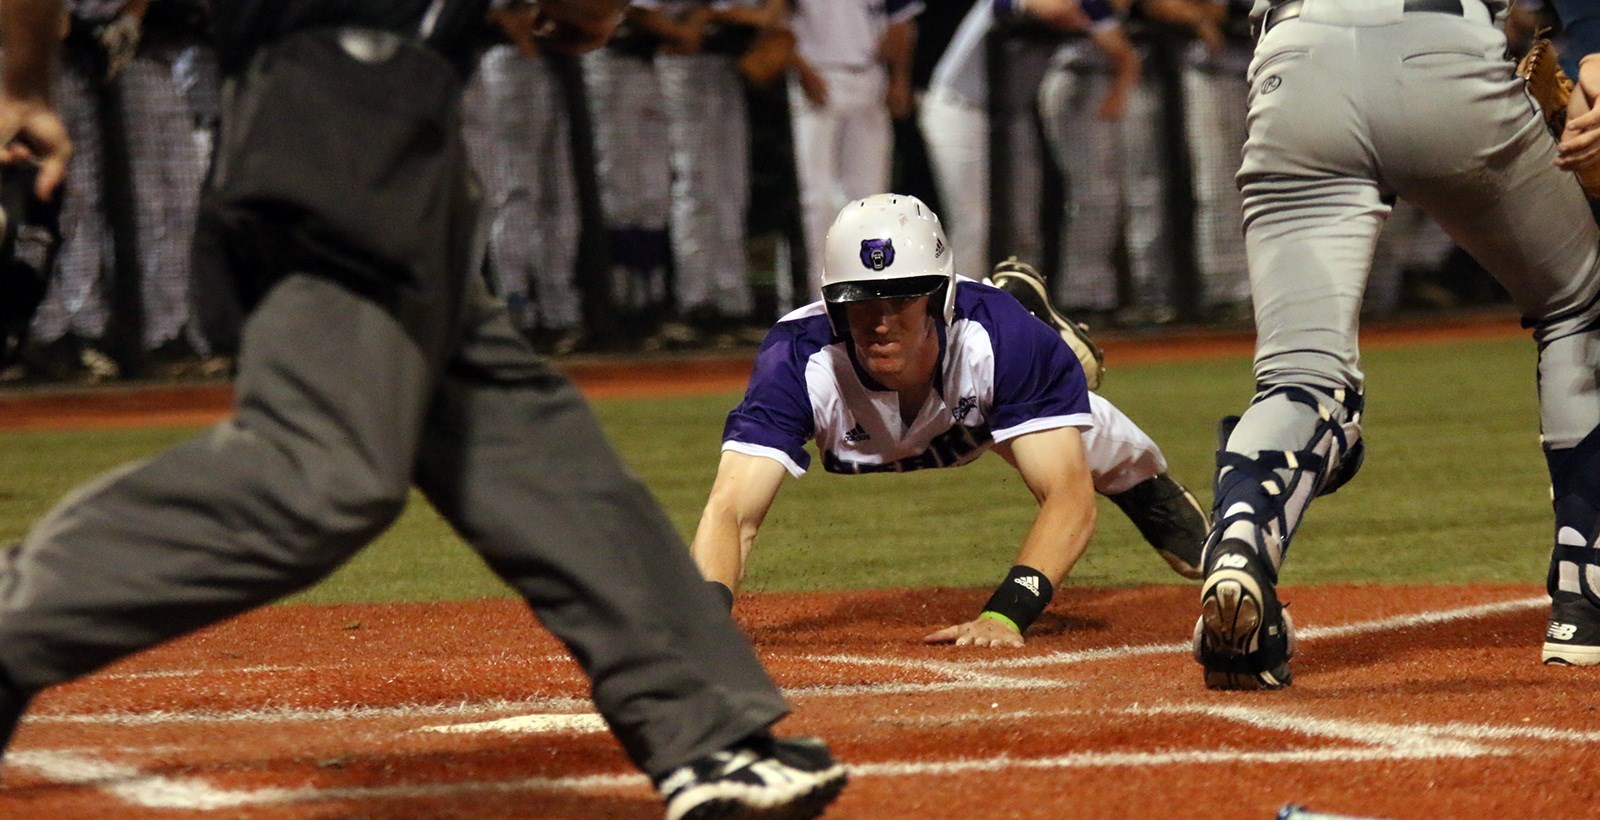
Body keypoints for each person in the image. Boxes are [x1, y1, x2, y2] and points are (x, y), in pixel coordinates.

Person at [0, 1, 847, 816]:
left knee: (517, 437)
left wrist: (25, 84)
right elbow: (587, 9)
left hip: (370, 117)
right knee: (321, 471)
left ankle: (703, 726)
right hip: (348, 111)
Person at [1192, 0, 1600, 689]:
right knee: (1578, 301)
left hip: (1295, 73)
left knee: (1299, 374)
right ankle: (1585, 597)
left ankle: (1241, 534)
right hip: (1446, 57)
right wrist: (1592, 47)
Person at [690, 194, 1208, 647]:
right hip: (958, 399)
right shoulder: (796, 358)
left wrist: (1008, 612)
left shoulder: (998, 341)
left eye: (902, 297)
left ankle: (1140, 484)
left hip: (981, 398)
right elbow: (732, 511)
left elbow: (1068, 498)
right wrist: (704, 624)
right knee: (1045, 381)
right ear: (830, 301)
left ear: (941, 296)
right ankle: (1057, 345)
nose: (880, 321)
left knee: (1069, 431)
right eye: (859, 300)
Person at [919, 0, 1137, 285]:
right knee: (974, 222)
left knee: (1024, 220)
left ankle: (1022, 302)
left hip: (1012, 117)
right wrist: (1089, 13)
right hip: (959, 109)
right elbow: (1053, 9)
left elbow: (1120, 42)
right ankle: (961, 303)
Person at [786, 0, 922, 302]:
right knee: (818, 200)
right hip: (817, 73)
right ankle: (819, 299)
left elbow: (901, 20)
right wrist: (801, 67)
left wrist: (899, 77)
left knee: (870, 199)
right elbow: (776, 18)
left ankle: (866, 293)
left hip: (869, 74)